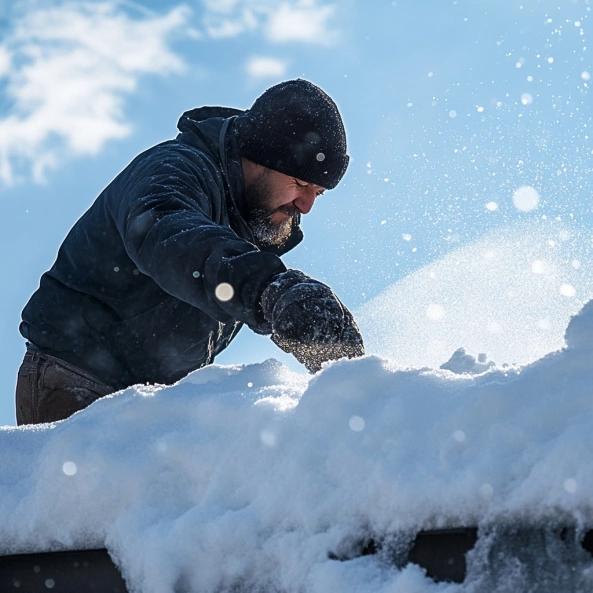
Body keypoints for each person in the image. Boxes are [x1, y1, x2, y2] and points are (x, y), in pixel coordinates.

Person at [16, 79, 364, 425]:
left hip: (144, 404)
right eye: (301, 184)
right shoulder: (175, 170)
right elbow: (170, 235)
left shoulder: (245, 223)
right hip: (78, 378)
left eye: (318, 193)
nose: (306, 206)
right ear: (259, 158)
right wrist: (269, 290)